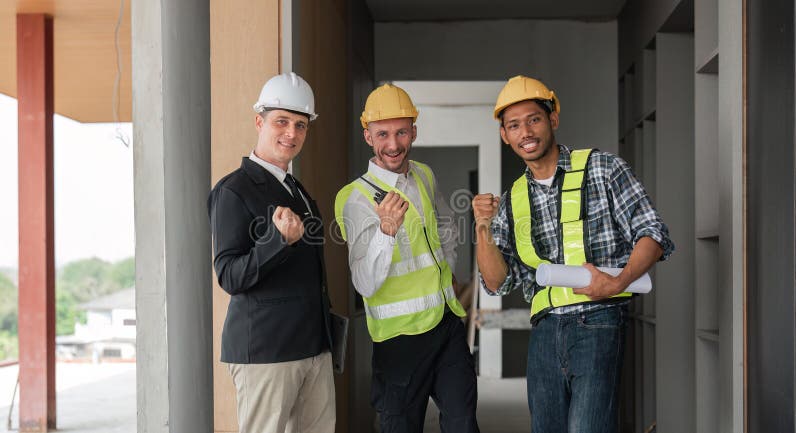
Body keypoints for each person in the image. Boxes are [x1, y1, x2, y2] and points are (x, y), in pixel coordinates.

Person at [472, 75, 674, 433]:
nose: (525, 132)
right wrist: (483, 227)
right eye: (514, 125)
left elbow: (652, 232)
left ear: (553, 119)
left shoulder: (603, 168)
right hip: (544, 330)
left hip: (599, 320)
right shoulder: (513, 198)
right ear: (504, 135)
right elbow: (496, 282)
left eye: (534, 119)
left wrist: (618, 282)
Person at [334, 84, 480, 433]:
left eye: (401, 132)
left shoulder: (424, 175)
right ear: (368, 136)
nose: (393, 144)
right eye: (383, 134)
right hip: (398, 341)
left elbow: (445, 225)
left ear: (414, 131)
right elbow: (364, 283)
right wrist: (386, 233)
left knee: (463, 424)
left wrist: (447, 266)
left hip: (445, 326)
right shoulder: (355, 198)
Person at [208, 72, 334, 433]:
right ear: (259, 122)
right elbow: (229, 275)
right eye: (282, 121)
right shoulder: (234, 190)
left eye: (300, 125)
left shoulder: (297, 190)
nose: (291, 133)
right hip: (267, 351)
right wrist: (278, 241)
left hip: (313, 347)